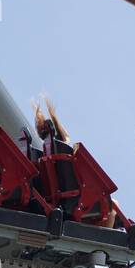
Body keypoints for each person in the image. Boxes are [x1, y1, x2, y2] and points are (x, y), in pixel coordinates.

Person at [34, 94, 119, 228]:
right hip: (75, 204)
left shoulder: (45, 158)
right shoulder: (66, 157)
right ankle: (102, 239)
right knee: (113, 204)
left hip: (60, 203)